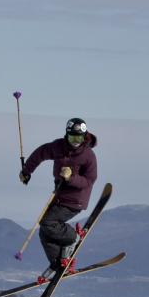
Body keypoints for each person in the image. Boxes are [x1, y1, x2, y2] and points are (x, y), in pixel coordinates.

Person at [19, 117, 98, 277]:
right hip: (60, 195)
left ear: (84, 137)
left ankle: (73, 237)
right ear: (66, 135)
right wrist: (27, 171)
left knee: (48, 223)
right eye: (72, 137)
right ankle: (58, 263)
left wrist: (71, 177)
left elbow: (89, 180)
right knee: (44, 231)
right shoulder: (58, 147)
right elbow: (40, 153)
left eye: (79, 138)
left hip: (76, 199)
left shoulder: (88, 155)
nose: (75, 142)